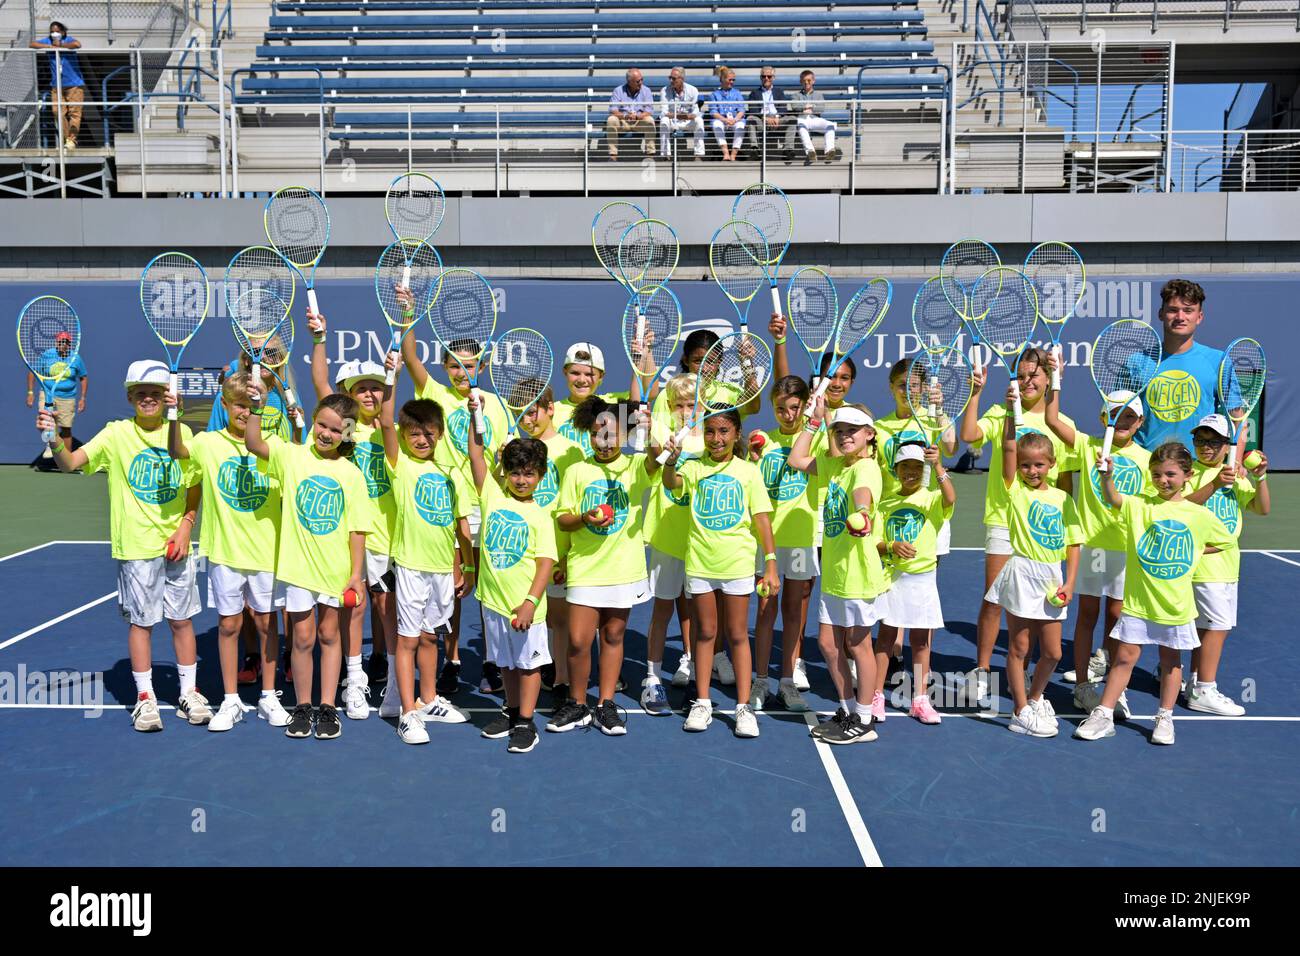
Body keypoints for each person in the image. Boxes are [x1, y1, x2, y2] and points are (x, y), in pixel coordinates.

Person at [37, 360, 206, 732]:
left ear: (166, 399)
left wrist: (185, 526)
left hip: (176, 545)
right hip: (137, 548)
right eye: (141, 393)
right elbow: (70, 464)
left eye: (155, 394)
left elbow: (194, 482)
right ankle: (145, 700)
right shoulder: (116, 435)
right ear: (131, 397)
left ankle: (188, 693)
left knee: (182, 620)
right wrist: (52, 438)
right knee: (142, 624)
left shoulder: (182, 435)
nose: (148, 399)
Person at [1075, 443, 1233, 745]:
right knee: (1124, 658)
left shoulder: (1198, 515)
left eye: (1171, 474)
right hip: (1138, 602)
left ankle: (1164, 717)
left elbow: (1225, 541)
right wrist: (1107, 476)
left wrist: (1196, 550)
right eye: (1157, 474)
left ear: (1187, 475)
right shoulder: (1140, 506)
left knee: (1172, 662)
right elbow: (1114, 498)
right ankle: (1104, 714)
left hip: (1175, 605)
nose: (1163, 480)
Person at [244, 382, 374, 741]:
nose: (327, 434)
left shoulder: (351, 474)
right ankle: (303, 706)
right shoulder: (290, 456)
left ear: (347, 434)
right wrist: (256, 407)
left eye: (336, 430)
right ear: (313, 421)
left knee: (329, 634)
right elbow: (254, 443)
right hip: (298, 569)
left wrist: (355, 576)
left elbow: (358, 530)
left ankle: (328, 707)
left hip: (334, 571)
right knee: (301, 638)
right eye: (323, 425)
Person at [166, 372, 289, 732]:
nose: (245, 409)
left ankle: (268, 696)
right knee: (229, 625)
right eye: (239, 403)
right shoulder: (208, 443)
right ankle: (231, 700)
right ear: (224, 404)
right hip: (225, 554)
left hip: (268, 552)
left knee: (267, 625)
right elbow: (177, 452)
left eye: (252, 403)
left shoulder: (272, 444)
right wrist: (174, 418)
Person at [959, 349, 1077, 702]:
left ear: (1048, 379)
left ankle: (1025, 670)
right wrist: (976, 392)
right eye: (1021, 375)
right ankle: (982, 671)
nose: (1027, 382)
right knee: (995, 600)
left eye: (1034, 376)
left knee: (1040, 606)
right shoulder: (1001, 413)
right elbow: (969, 434)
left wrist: (1061, 527)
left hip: (1044, 530)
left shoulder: (1061, 423)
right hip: (1003, 520)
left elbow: (1067, 484)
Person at [401, 326, 509, 695]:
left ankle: (493, 661)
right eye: (455, 367)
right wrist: (408, 314)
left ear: (481, 364)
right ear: (445, 369)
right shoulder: (435, 393)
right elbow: (410, 356)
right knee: (456, 588)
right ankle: (453, 659)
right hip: (448, 508)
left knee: (489, 589)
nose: (463, 373)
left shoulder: (495, 403)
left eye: (469, 365)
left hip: (490, 505)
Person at [661, 406, 779, 738]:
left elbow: (762, 520)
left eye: (724, 431)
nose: (717, 438)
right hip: (700, 563)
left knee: (738, 634)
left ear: (737, 434)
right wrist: (672, 459)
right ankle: (702, 702)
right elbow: (672, 483)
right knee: (705, 634)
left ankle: (743, 708)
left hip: (738, 563)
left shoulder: (748, 472)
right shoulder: (694, 467)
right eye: (711, 432)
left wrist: (770, 562)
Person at [1043, 364, 1150, 716]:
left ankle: (1113, 688)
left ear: (1139, 423)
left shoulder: (1146, 460)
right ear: (1104, 416)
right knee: (1087, 614)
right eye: (1115, 415)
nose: (1122, 422)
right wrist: (1055, 380)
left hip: (1125, 548)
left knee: (1118, 617)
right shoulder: (1088, 447)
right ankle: (1082, 686)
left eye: (1129, 418)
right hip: (1091, 547)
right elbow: (1053, 421)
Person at [377, 361, 475, 744]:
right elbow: (385, 421)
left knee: (431, 636)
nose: (421, 439)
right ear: (404, 435)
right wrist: (393, 376)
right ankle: (408, 712)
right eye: (414, 433)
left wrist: (462, 565)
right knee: (407, 639)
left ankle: (430, 699)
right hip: (412, 567)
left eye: (428, 433)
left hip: (440, 568)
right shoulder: (399, 466)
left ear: (439, 435)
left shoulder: (451, 473)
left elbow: (458, 528)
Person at [308, 311, 400, 720]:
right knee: (355, 607)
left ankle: (384, 669)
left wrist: (392, 377)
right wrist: (320, 338)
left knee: (385, 609)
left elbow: (387, 405)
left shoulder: (386, 428)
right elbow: (321, 385)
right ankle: (354, 679)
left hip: (388, 535)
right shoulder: (346, 430)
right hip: (350, 534)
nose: (369, 395)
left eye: (375, 389)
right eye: (361, 390)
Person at [551, 397, 656, 735]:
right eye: (598, 434)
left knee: (613, 634)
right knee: (579, 641)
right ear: (590, 434)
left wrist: (652, 432)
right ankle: (577, 704)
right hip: (585, 567)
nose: (604, 441)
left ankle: (606, 704)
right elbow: (564, 520)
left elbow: (658, 461)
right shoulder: (577, 471)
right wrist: (584, 517)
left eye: (611, 434)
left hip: (623, 567)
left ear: (625, 436)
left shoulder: (634, 467)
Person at [787, 400, 888, 744]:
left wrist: (862, 513)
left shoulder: (866, 469)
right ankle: (847, 709)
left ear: (869, 435)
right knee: (830, 645)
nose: (845, 436)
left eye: (853, 431)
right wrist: (814, 422)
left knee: (858, 645)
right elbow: (796, 459)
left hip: (858, 574)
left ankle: (864, 718)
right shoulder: (835, 466)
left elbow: (864, 496)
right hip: (833, 572)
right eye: (840, 430)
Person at [984, 388, 1083, 737]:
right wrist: (1012, 411)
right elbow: (1009, 447)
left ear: (1052, 464)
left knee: (1053, 653)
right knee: (1020, 647)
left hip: (1052, 579)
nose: (1031, 470)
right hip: (1022, 572)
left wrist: (1070, 582)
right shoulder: (1014, 491)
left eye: (1039, 464)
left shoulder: (1062, 498)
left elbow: (1073, 543)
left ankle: (1036, 696)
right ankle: (1020, 710)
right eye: (1026, 465)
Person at [465, 395, 558, 755]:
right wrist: (476, 415)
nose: (521, 479)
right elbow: (476, 454)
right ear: (505, 471)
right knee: (504, 662)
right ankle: (511, 709)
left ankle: (526, 721)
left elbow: (545, 563)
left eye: (529, 473)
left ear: (540, 476)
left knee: (529, 666)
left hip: (525, 606)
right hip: (493, 601)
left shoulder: (541, 514)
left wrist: (530, 602)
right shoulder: (491, 494)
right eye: (516, 472)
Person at [1181, 414, 1271, 716]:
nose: (1206, 447)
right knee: (1216, 628)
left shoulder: (1236, 476)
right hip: (1205, 566)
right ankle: (1205, 690)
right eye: (1200, 440)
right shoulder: (1190, 474)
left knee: (1208, 628)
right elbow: (1180, 507)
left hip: (1228, 564)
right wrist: (1216, 483)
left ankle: (1194, 681)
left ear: (1226, 445)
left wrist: (1259, 477)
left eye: (1213, 441)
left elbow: (1262, 508)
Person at [508, 383, 584, 702]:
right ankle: (532, 674)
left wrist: (567, 556)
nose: (528, 418)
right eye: (521, 413)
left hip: (561, 549)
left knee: (562, 619)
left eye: (534, 410)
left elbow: (578, 503)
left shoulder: (570, 451)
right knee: (537, 615)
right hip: (524, 552)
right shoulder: (513, 451)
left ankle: (563, 679)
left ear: (550, 409)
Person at [747, 375, 817, 713]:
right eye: (780, 409)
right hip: (768, 543)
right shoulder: (763, 443)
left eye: (794, 408)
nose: (787, 415)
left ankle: (787, 681)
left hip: (802, 539)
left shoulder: (813, 442)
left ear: (804, 406)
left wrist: (822, 417)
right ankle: (761, 680)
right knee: (765, 610)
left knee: (794, 613)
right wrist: (753, 459)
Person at [875, 443, 955, 724]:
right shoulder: (885, 503)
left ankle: (920, 700)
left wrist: (937, 466)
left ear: (923, 471)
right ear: (895, 470)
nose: (910, 472)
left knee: (921, 641)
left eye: (916, 467)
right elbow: (875, 542)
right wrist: (891, 546)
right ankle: (876, 697)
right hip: (893, 578)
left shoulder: (932, 498)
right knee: (885, 639)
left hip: (923, 579)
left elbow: (950, 496)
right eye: (905, 466)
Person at [643, 372, 701, 705]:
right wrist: (662, 443)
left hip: (701, 540)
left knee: (697, 612)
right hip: (667, 536)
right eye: (678, 404)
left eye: (690, 404)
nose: (684, 410)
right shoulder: (663, 432)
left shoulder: (710, 436)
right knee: (662, 610)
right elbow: (656, 459)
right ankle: (651, 677)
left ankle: (694, 667)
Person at [1137, 279, 1241, 458]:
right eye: (1172, 310)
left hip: (1200, 466)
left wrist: (1236, 461)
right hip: (1147, 466)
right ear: (1161, 314)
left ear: (1199, 316)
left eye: (1188, 310)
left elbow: (1237, 418)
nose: (1180, 317)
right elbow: (1119, 417)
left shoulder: (1218, 361)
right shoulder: (1137, 362)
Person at [553, 343, 628, 458]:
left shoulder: (614, 404)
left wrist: (644, 353)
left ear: (601, 376)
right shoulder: (551, 411)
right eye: (575, 373)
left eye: (589, 374)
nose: (582, 380)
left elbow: (649, 391)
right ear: (565, 372)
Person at [27, 330, 87, 455]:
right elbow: (33, 372)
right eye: (60, 342)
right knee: (45, 419)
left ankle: (66, 460)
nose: (63, 344)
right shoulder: (47, 355)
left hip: (67, 397)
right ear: (56, 343)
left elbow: (83, 377)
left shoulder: (75, 358)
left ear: (69, 344)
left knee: (66, 429)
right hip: (48, 393)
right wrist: (31, 392)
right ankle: (50, 444)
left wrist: (82, 398)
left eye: (66, 342)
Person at [30, 21, 84, 149]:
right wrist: (50, 47)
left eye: (57, 31)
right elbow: (32, 44)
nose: (54, 34)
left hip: (74, 84)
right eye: (52, 31)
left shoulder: (68, 39)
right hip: (56, 85)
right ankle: (68, 138)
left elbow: (77, 44)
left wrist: (62, 46)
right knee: (57, 112)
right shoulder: (48, 41)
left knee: (74, 113)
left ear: (63, 32)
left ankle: (71, 140)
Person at [786, 70, 839, 164]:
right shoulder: (795, 95)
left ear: (813, 81)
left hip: (815, 119)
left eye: (809, 80)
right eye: (804, 80)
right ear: (800, 82)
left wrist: (808, 107)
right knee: (801, 127)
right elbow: (794, 106)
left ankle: (829, 151)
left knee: (830, 125)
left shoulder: (819, 95)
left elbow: (821, 108)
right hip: (802, 118)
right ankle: (811, 152)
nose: (806, 82)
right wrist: (807, 107)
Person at [606, 67, 656, 160]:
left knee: (650, 120)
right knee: (611, 120)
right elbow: (613, 109)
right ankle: (613, 155)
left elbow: (649, 110)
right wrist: (625, 116)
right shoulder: (618, 90)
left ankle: (650, 155)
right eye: (637, 81)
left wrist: (638, 116)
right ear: (629, 82)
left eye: (641, 79)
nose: (640, 82)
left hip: (639, 121)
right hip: (623, 121)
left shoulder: (646, 90)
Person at [746, 65, 792, 160]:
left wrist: (777, 117)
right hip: (762, 120)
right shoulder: (754, 93)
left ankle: (788, 150)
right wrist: (764, 118)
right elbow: (753, 109)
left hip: (777, 120)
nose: (766, 78)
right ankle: (754, 148)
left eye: (769, 76)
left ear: (773, 78)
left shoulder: (779, 92)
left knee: (793, 119)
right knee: (750, 119)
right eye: (764, 76)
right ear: (760, 78)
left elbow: (783, 107)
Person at [659, 66, 705, 159]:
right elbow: (664, 112)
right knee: (664, 121)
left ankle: (699, 155)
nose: (671, 80)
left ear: (682, 79)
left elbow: (695, 112)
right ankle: (665, 155)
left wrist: (682, 116)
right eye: (670, 78)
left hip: (687, 121)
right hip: (673, 120)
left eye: (674, 78)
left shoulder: (693, 90)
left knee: (699, 121)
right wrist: (683, 116)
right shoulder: (664, 90)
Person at [708, 67, 747, 162]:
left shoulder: (737, 93)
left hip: (735, 119)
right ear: (722, 79)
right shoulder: (714, 94)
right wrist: (725, 120)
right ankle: (725, 153)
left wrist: (735, 120)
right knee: (717, 125)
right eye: (730, 79)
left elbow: (741, 110)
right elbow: (713, 112)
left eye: (733, 80)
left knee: (741, 126)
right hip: (721, 119)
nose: (732, 82)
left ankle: (733, 154)